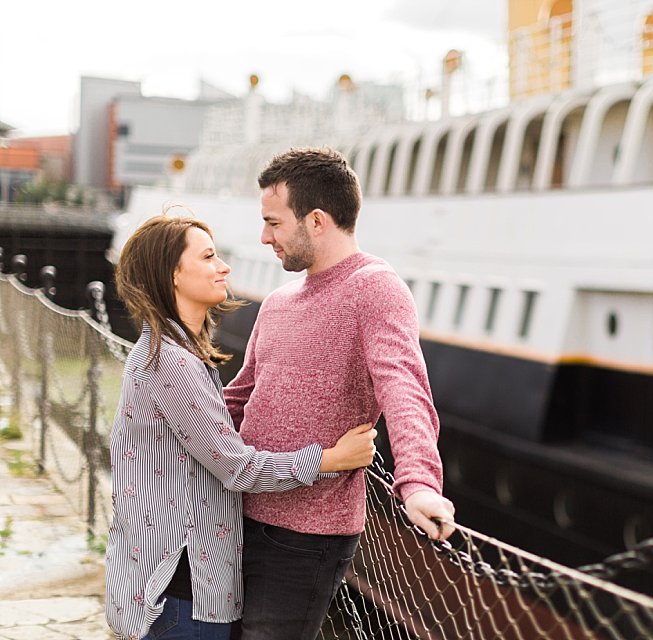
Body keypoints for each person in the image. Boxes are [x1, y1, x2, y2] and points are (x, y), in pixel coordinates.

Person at [105, 215, 377, 640]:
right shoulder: (171, 363)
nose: (224, 267)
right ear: (172, 274)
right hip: (183, 596)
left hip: (174, 584)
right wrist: (331, 459)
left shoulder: (172, 351)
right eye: (208, 257)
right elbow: (237, 469)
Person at [223, 146, 456, 639]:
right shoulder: (277, 302)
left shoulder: (375, 287)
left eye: (273, 223)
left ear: (316, 220)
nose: (264, 237)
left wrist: (418, 483)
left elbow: (405, 389)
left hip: (306, 535)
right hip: (236, 512)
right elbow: (239, 398)